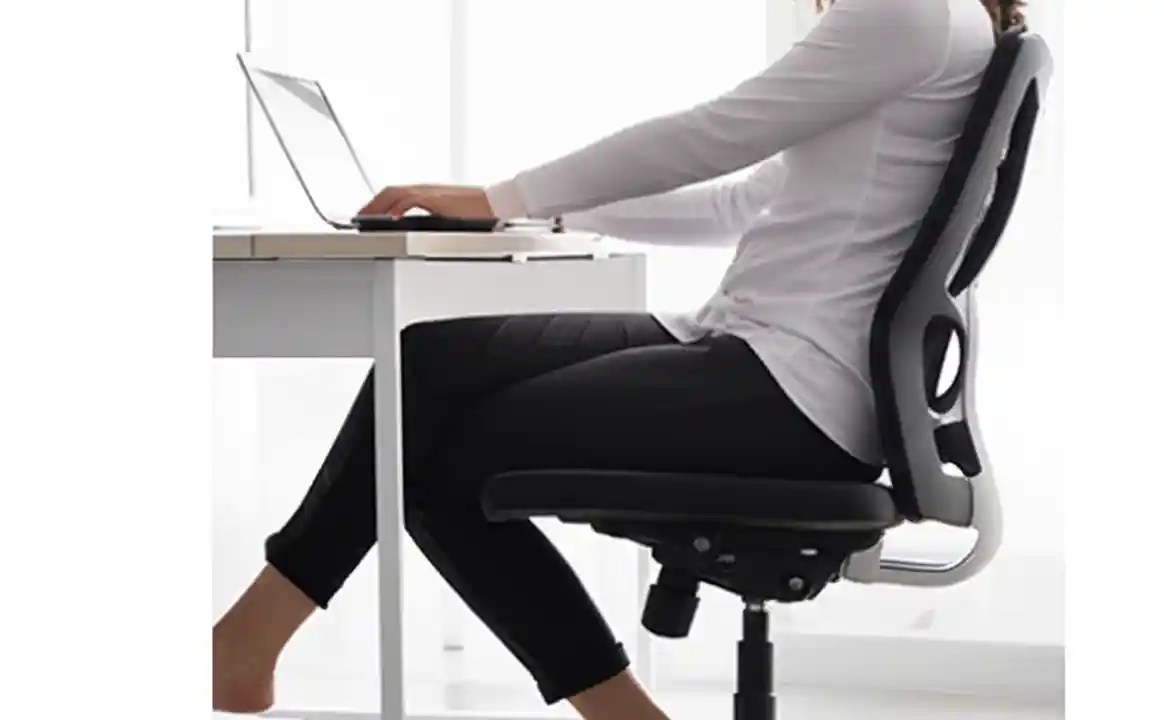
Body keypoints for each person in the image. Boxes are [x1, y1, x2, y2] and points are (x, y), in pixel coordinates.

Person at [212, 1, 1027, 718]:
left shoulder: (907, 12)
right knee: (426, 363)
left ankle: (619, 718)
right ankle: (249, 645)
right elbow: (742, 202)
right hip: (759, 348)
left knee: (433, 458)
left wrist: (505, 197)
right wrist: (527, 211)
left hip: (793, 389)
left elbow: (712, 135)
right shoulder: (943, 19)